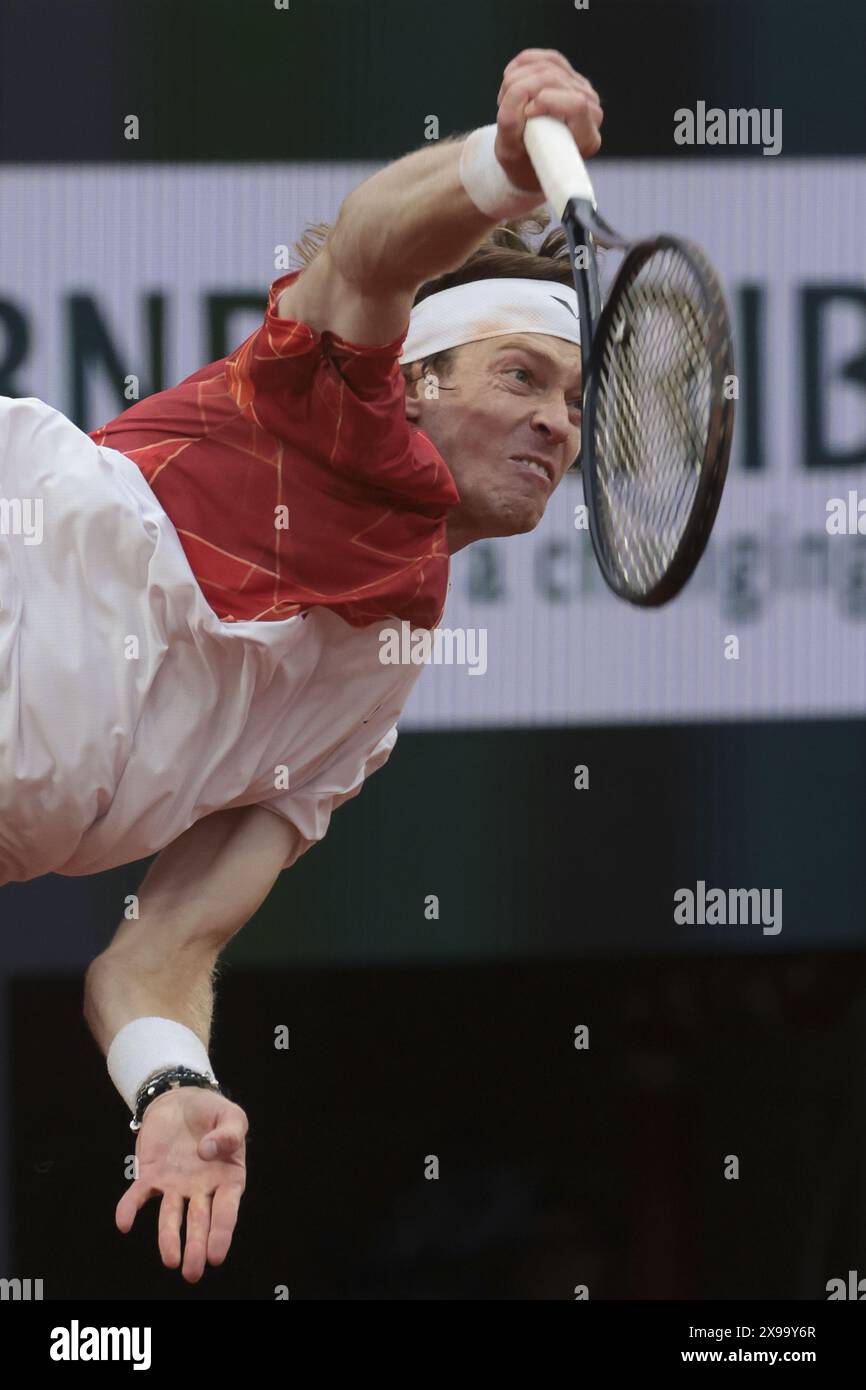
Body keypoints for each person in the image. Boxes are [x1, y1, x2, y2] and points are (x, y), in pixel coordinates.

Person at [2, 48, 602, 1281]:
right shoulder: (318, 405)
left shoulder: (366, 698)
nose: (557, 421)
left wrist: (168, 1081)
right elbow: (377, 248)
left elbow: (158, 950)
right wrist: (497, 163)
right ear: (415, 383)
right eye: (521, 375)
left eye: (574, 398)